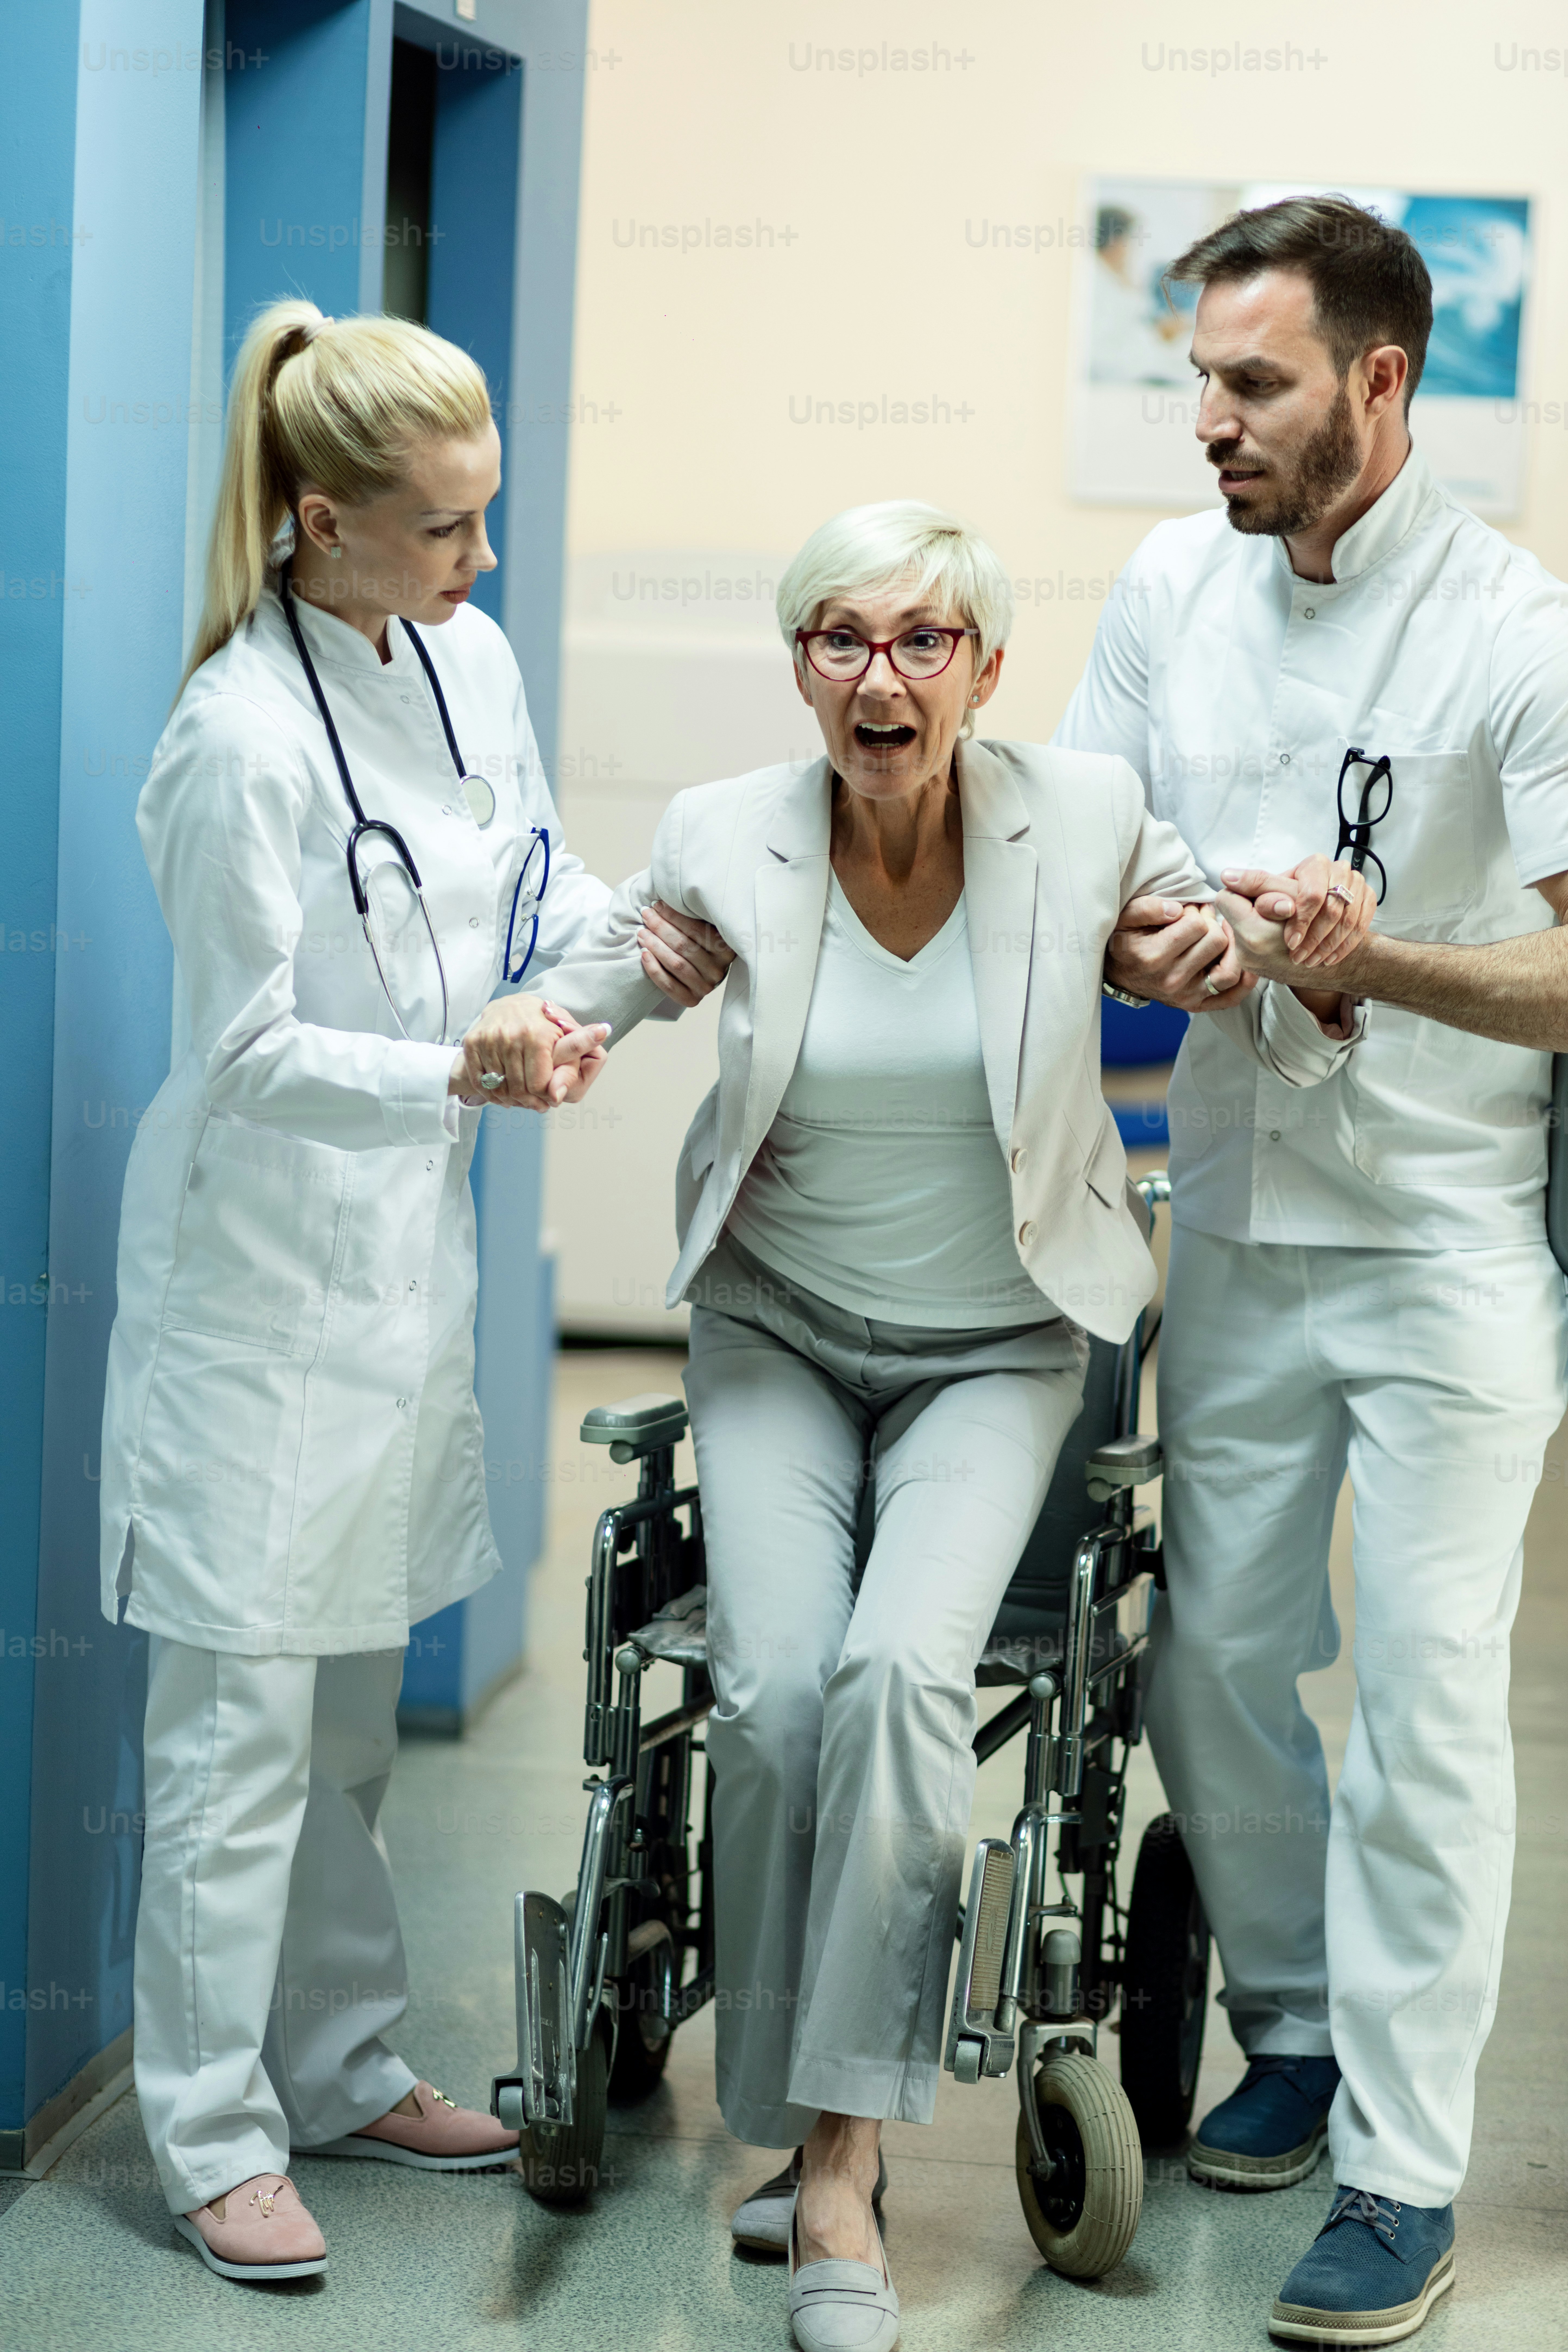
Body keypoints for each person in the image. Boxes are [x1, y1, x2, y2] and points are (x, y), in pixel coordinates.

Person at [497, 499, 1372, 2351]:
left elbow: (1228, 976)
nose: (877, 675)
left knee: (906, 1676)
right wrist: (528, 1033)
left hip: (995, 1343)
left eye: (918, 640)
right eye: (838, 639)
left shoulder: (1087, 823)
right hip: (777, 1333)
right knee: (774, 1688)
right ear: (800, 663)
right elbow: (624, 975)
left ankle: (838, 2159)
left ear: (983, 666)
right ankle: (811, 2108)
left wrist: (1269, 971)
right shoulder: (731, 831)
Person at [99, 299, 731, 2286]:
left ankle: (343, 2065)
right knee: (232, 1749)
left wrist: (648, 935)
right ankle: (209, 2135)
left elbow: (525, 888)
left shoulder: (466, 660)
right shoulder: (236, 740)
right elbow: (244, 1054)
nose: (479, 563)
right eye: (443, 527)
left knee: (354, 1716)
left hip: (396, 1289)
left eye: (482, 519)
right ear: (314, 521)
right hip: (255, 1303)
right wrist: (459, 1068)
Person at [1054, 194, 1568, 2345]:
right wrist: (1145, 936)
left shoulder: (1513, 627)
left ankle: (1396, 2173)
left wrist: (1389, 961)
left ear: (1378, 379)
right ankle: (1286, 2016)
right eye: (1194, 377)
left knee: (1430, 1692)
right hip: (1238, 1215)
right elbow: (1070, 865)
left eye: (1251, 383)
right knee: (1211, 1663)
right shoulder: (1170, 588)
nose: (1208, 424)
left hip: (1446, 1244)